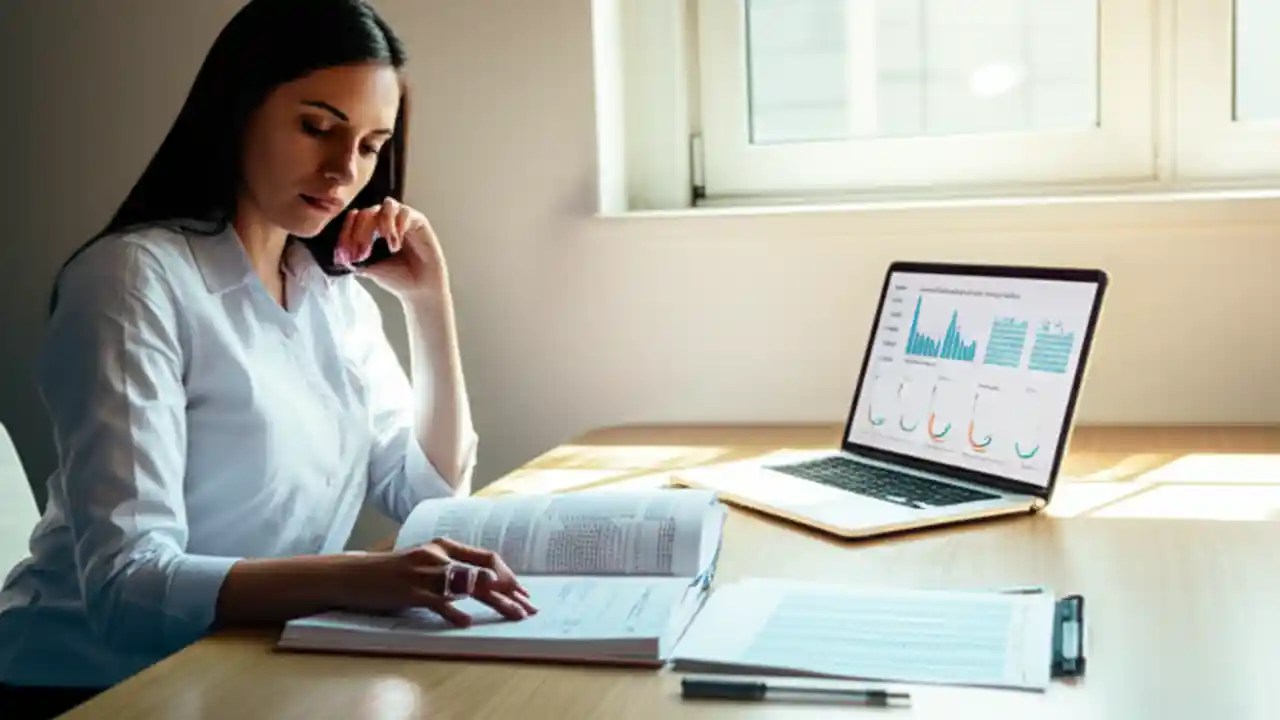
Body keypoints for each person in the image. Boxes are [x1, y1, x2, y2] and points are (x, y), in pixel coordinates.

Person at [0, 1, 536, 717]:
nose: (345, 169)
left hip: (242, 659)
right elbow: (128, 588)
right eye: (317, 127)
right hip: (82, 684)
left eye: (372, 145)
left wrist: (428, 304)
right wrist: (355, 577)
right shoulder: (133, 281)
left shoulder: (326, 289)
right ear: (239, 108)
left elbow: (430, 497)